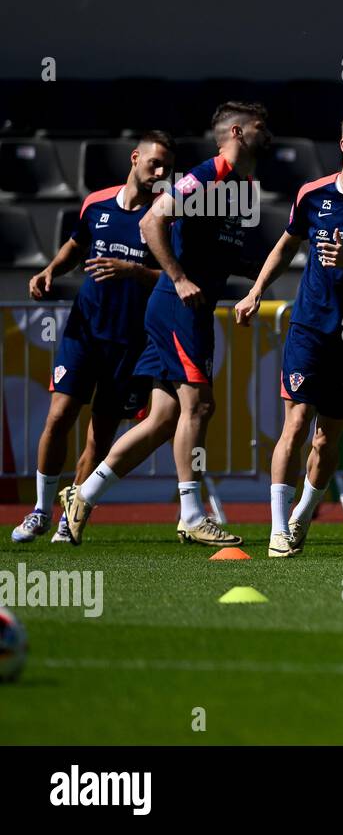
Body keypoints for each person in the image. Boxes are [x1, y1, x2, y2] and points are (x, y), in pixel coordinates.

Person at [63, 102, 272, 546]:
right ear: (237, 131)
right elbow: (151, 219)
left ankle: (84, 493)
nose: (267, 133)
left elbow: (225, 252)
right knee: (199, 407)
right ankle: (192, 515)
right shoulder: (208, 174)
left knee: (163, 418)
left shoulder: (243, 185)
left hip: (182, 307)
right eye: (260, 127)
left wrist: (263, 277)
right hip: (178, 307)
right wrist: (178, 279)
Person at [235, 108, 343, 557]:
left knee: (328, 438)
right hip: (311, 326)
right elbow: (286, 244)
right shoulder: (311, 195)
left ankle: (302, 516)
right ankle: (276, 529)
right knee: (294, 424)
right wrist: (256, 291)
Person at [13, 132, 173, 543]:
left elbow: (176, 276)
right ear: (135, 159)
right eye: (154, 164)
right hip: (83, 333)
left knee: (100, 434)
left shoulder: (165, 215)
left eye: (166, 168)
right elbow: (75, 245)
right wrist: (50, 271)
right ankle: (39, 511)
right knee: (58, 416)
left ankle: (72, 516)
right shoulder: (96, 203)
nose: (160, 173)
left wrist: (134, 271)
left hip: (129, 342)